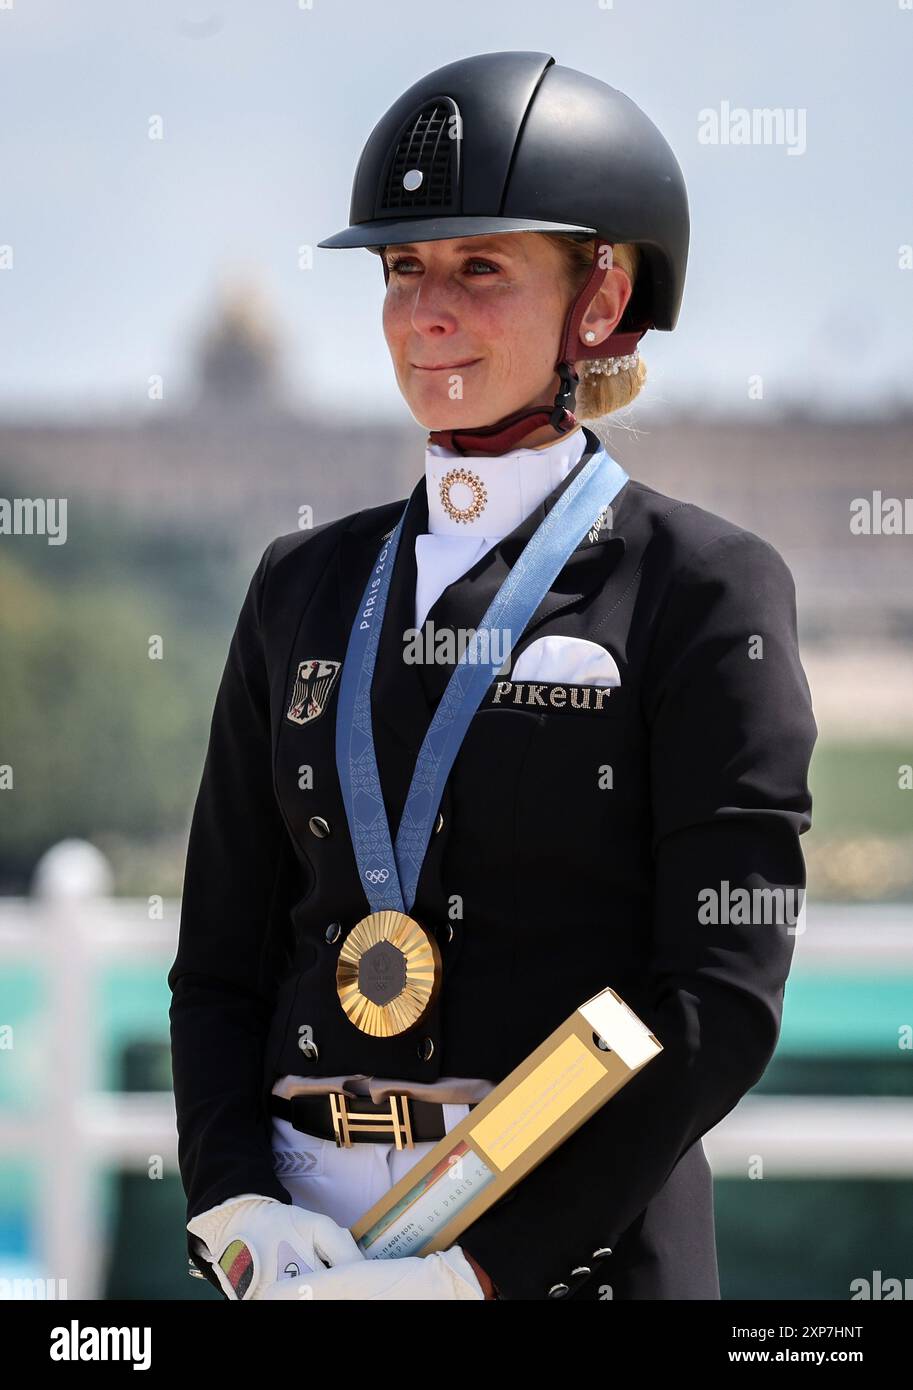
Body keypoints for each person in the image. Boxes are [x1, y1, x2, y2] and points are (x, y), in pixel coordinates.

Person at [168, 50, 817, 1301]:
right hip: (303, 1268)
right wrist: (234, 1197)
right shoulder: (298, 584)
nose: (426, 314)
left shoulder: (703, 590)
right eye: (403, 269)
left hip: (574, 1267)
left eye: (479, 268)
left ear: (600, 296)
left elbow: (713, 1005)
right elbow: (221, 962)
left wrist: (473, 1274)